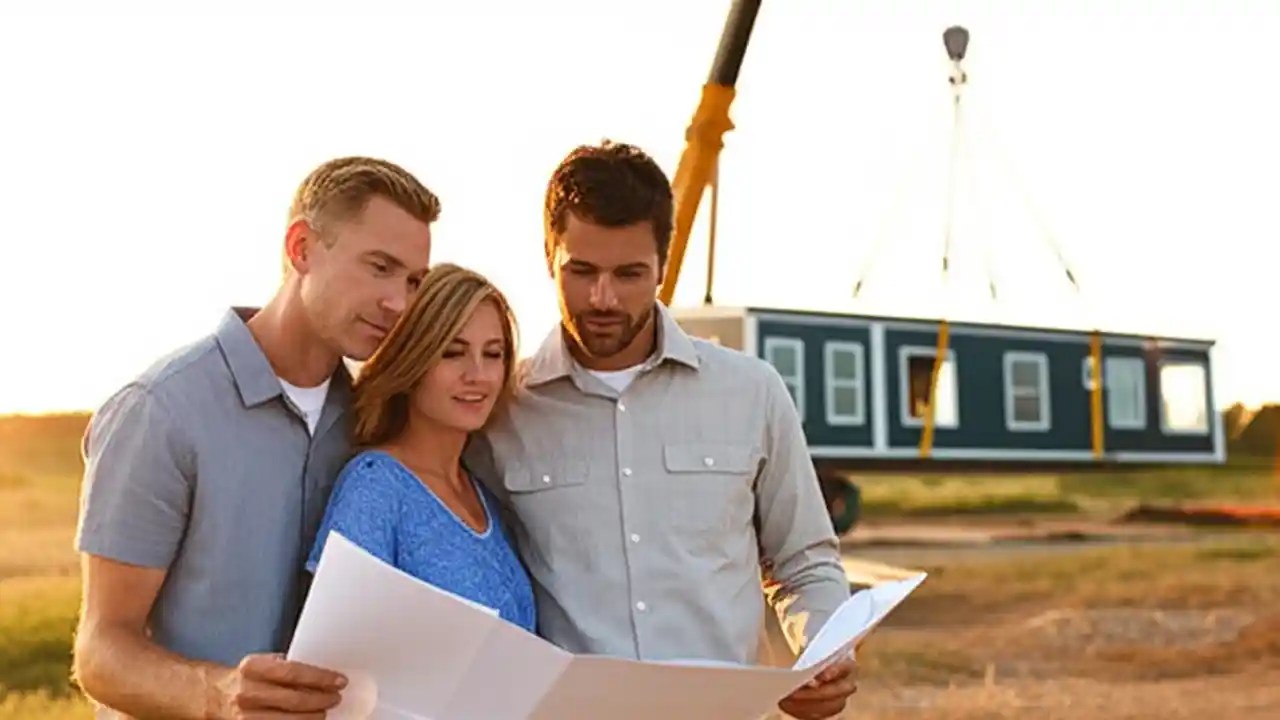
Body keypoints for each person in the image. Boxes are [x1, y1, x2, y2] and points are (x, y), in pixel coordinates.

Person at [467, 140, 860, 720]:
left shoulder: (752, 392)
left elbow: (803, 560)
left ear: (664, 266)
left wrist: (823, 650)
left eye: (629, 274)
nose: (603, 298)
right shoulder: (499, 410)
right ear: (548, 255)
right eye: (581, 271)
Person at [72, 156, 440, 719]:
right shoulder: (161, 410)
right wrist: (218, 693)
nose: (399, 302)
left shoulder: (375, 420)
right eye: (380, 267)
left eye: (413, 280)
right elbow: (101, 650)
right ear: (301, 249)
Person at [305, 263, 535, 633]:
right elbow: (333, 646)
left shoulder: (484, 494)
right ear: (413, 359)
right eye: (452, 352)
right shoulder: (376, 486)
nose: (477, 374)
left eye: (493, 354)